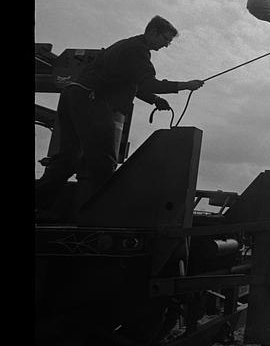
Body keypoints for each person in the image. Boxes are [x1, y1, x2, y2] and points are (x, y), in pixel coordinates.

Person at [35, 15, 205, 215]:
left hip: (73, 94)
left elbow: (134, 84)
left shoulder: (126, 47)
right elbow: (149, 82)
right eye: (165, 39)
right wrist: (185, 85)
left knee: (68, 157)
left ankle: (40, 203)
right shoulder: (137, 50)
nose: (166, 45)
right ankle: (103, 212)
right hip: (91, 99)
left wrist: (155, 100)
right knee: (104, 158)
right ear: (152, 32)